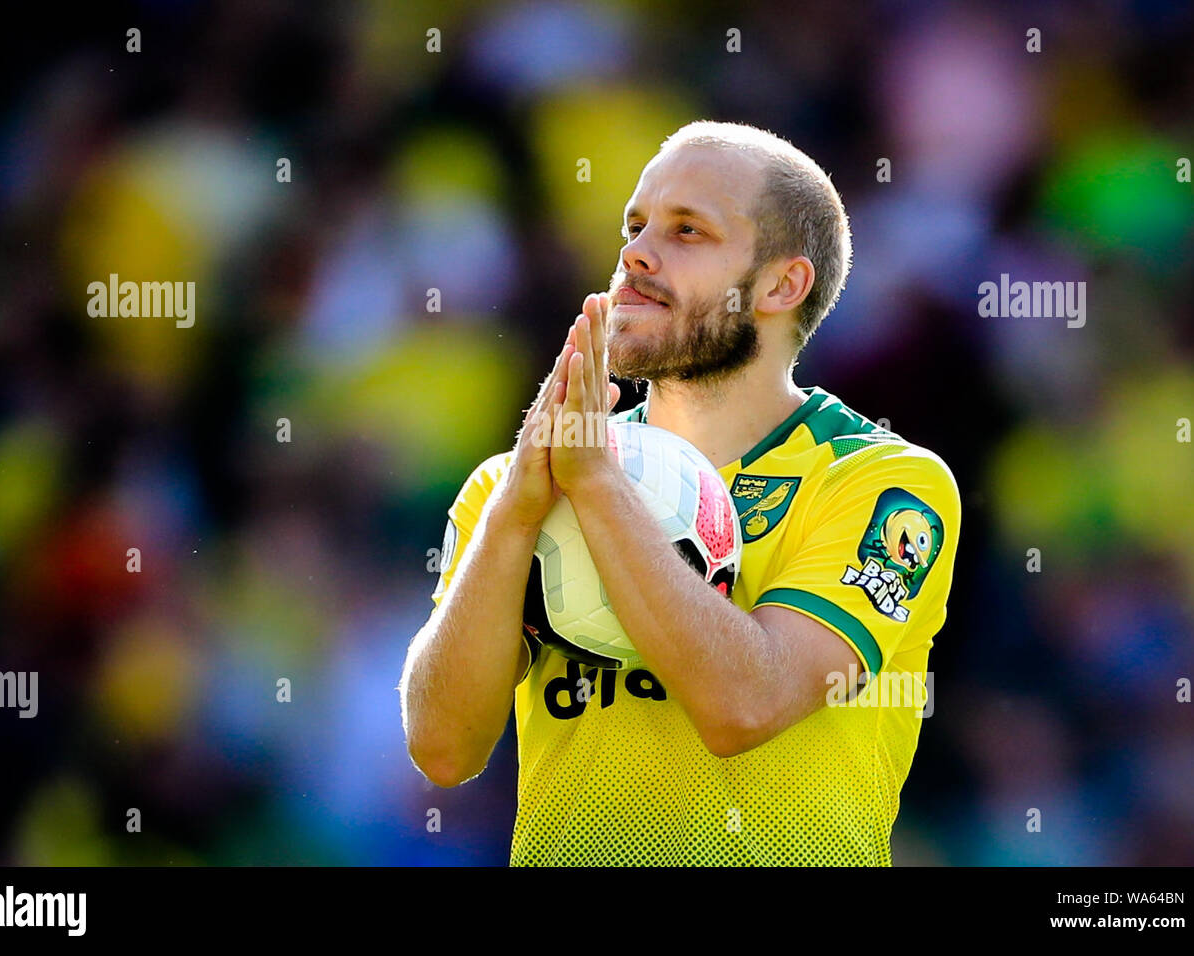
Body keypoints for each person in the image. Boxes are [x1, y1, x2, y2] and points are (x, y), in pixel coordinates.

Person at [400, 120, 961, 865]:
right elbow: (442, 750)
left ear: (780, 284)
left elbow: (745, 705)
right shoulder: (515, 486)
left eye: (687, 230)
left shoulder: (882, 484)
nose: (635, 252)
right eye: (635, 226)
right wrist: (513, 518)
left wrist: (597, 486)